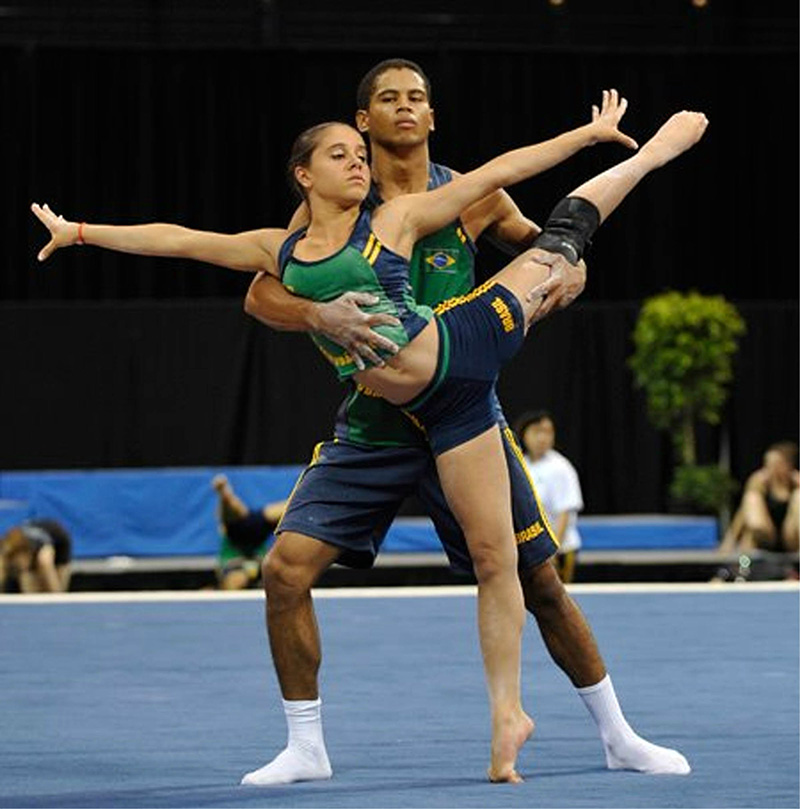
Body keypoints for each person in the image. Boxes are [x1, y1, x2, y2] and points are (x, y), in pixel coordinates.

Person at [32, 94, 707, 782]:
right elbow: (178, 238)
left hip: (465, 349)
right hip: (431, 413)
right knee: (482, 555)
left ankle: (652, 152)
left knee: (564, 239)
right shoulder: (282, 250)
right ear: (304, 175)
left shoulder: (395, 220)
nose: (357, 164)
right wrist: (80, 231)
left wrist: (590, 134)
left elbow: (499, 171)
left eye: (359, 158)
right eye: (340, 155)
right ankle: (418, 731)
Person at [242, 60, 693, 785]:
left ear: (432, 115)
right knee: (284, 571)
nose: (404, 109)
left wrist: (573, 266)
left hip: (462, 409)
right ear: (363, 121)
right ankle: (305, 744)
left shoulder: (468, 195)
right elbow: (261, 294)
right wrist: (315, 312)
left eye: (416, 98)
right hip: (377, 424)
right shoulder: (336, 201)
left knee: (538, 580)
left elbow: (539, 243)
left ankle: (618, 733)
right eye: (387, 100)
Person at [516, 410, 584, 583]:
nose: (542, 438)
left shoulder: (560, 467)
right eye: (537, 431)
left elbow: (565, 512)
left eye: (548, 432)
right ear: (525, 434)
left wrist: (552, 550)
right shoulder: (520, 464)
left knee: (556, 600)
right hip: (530, 550)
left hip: (558, 550)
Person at [716, 442, 799, 580]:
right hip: (765, 538)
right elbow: (744, 514)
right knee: (751, 497)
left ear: (786, 465)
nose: (770, 469)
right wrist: (729, 541)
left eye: (775, 464)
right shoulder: (759, 482)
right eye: (768, 464)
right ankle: (743, 568)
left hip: (791, 540)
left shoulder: (796, 482)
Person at [211, 474, 286, 590]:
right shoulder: (232, 531)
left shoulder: (246, 524)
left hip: (257, 556)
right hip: (236, 561)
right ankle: (225, 495)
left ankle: (225, 495)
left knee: (245, 519)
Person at [0, 519, 72, 593]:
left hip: (60, 542)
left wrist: (56, 596)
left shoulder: (43, 556)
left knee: (53, 584)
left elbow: (55, 590)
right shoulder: (6, 552)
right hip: (26, 539)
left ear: (27, 554)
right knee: (27, 577)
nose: (20, 566)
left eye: (20, 562)